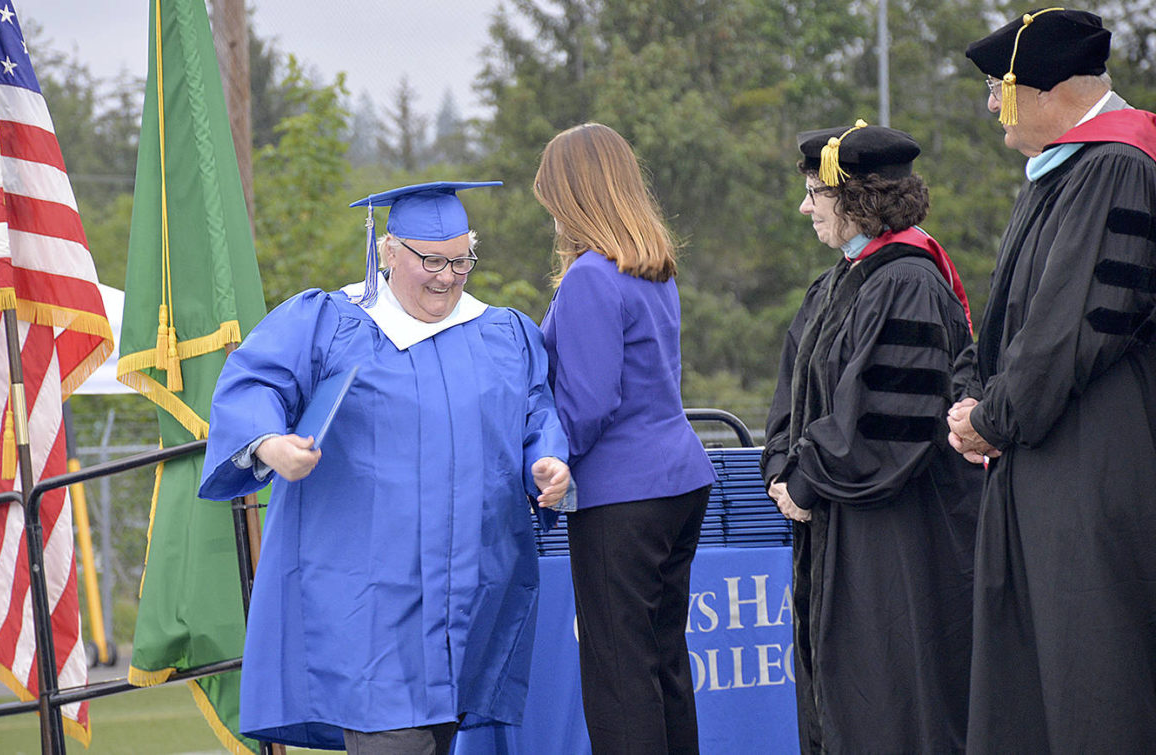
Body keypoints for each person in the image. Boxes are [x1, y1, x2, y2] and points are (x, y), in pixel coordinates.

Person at [198, 181, 572, 754]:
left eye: (460, 260)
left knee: (437, 732)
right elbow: (255, 384)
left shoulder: (504, 334)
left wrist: (547, 463)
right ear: (389, 251)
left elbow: (534, 412)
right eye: (431, 260)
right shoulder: (331, 323)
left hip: (471, 591)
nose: (447, 276)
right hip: (367, 599)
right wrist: (271, 444)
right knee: (391, 734)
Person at [953, 9, 1156, 751]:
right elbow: (1020, 319)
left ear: (1046, 91)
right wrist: (976, 398)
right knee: (1038, 672)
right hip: (1045, 449)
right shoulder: (1064, 171)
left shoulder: (1117, 165)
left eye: (995, 89)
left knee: (1091, 669)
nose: (988, 108)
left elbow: (1068, 326)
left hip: (1095, 454)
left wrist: (993, 416)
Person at [761, 121, 982, 753]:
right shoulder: (838, 282)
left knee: (891, 697)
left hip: (898, 536)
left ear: (858, 197)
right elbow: (792, 393)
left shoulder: (907, 282)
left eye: (815, 191)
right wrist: (781, 466)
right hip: (838, 521)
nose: (805, 206)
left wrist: (807, 476)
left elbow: (895, 419)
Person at [532, 123, 716, 754]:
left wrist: (544, 460)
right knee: (662, 663)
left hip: (620, 496)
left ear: (576, 196)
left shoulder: (589, 277)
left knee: (618, 676)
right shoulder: (651, 269)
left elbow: (586, 402)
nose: (551, 214)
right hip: (680, 482)